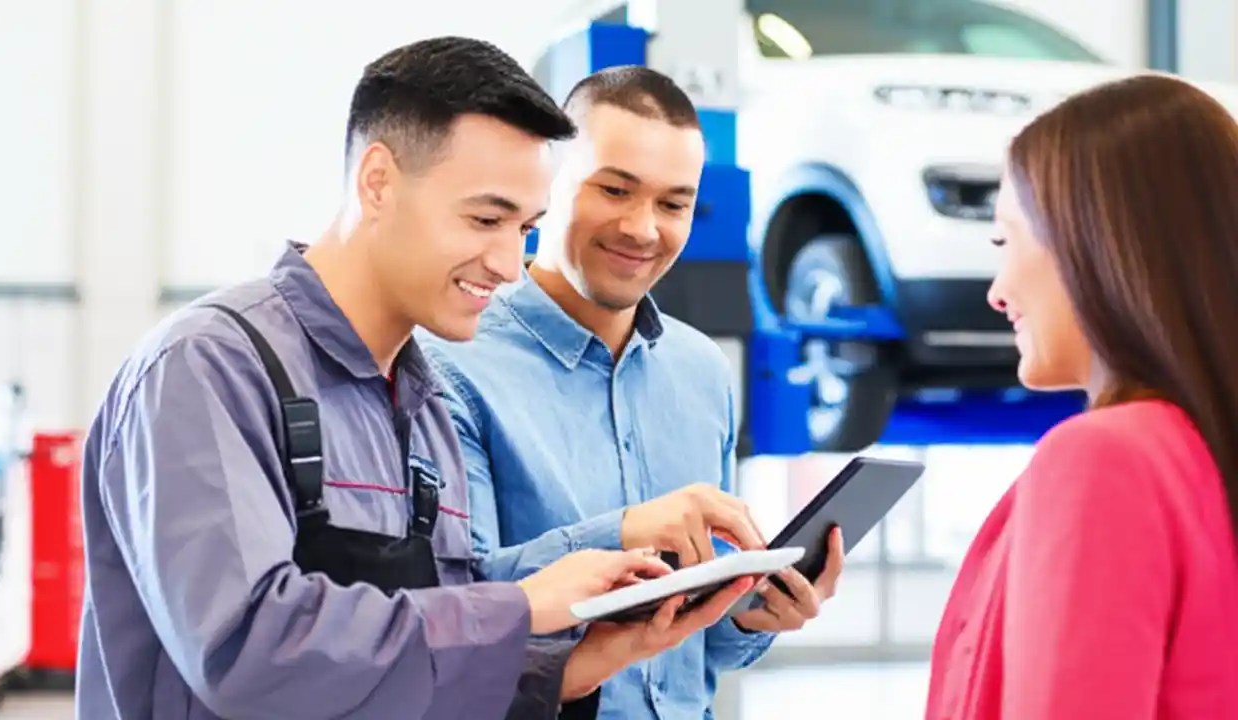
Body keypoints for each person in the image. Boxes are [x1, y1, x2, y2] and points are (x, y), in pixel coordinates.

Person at [75, 38, 758, 720]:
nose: (508, 265)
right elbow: (248, 651)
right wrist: (520, 607)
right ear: (378, 181)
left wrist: (578, 664)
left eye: (523, 227)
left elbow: (435, 668)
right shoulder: (211, 369)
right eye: (485, 219)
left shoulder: (421, 403)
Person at [420, 65, 845, 719]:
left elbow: (701, 650)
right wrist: (620, 533)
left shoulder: (702, 372)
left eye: (674, 204)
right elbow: (454, 609)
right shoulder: (453, 365)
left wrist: (757, 614)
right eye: (615, 190)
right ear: (548, 185)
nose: (643, 228)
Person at [925, 73, 1238, 720]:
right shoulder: (1203, 452)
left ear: (1094, 242)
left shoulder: (1107, 461)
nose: (998, 290)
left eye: (1005, 243)